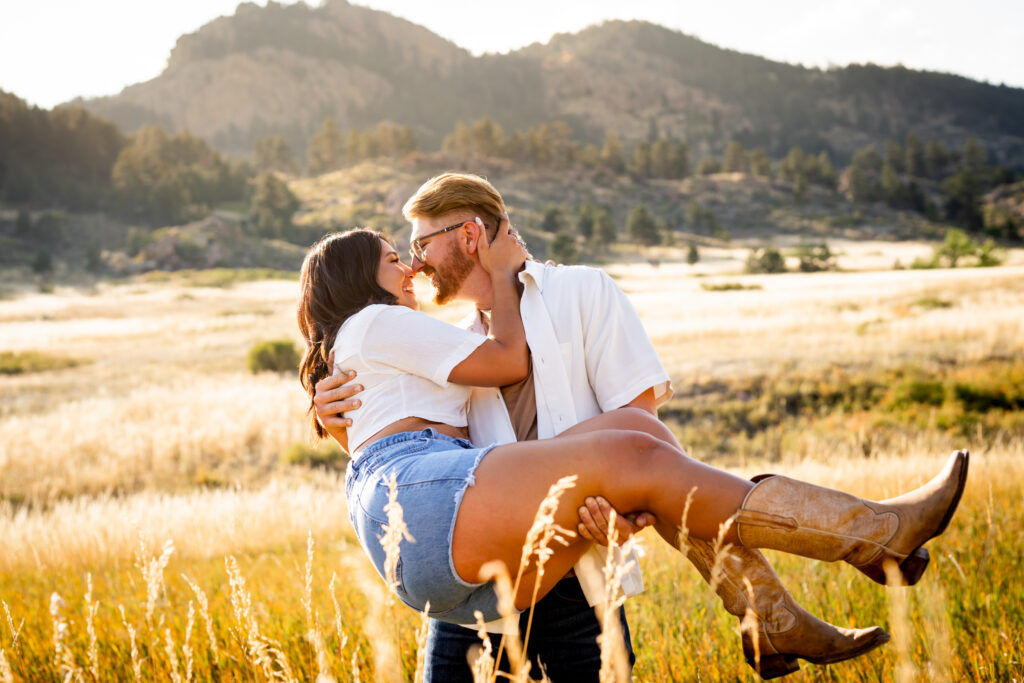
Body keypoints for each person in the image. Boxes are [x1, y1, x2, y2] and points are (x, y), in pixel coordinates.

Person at [301, 180, 968, 680]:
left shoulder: (582, 292)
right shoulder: (441, 342)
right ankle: (860, 544)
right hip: (473, 578)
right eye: (402, 252)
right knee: (634, 453)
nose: (414, 263)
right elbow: (405, 444)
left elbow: (643, 417)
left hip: (575, 568)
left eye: (419, 243)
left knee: (641, 446)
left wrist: (615, 503)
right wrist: (333, 415)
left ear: (469, 234)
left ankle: (780, 606)